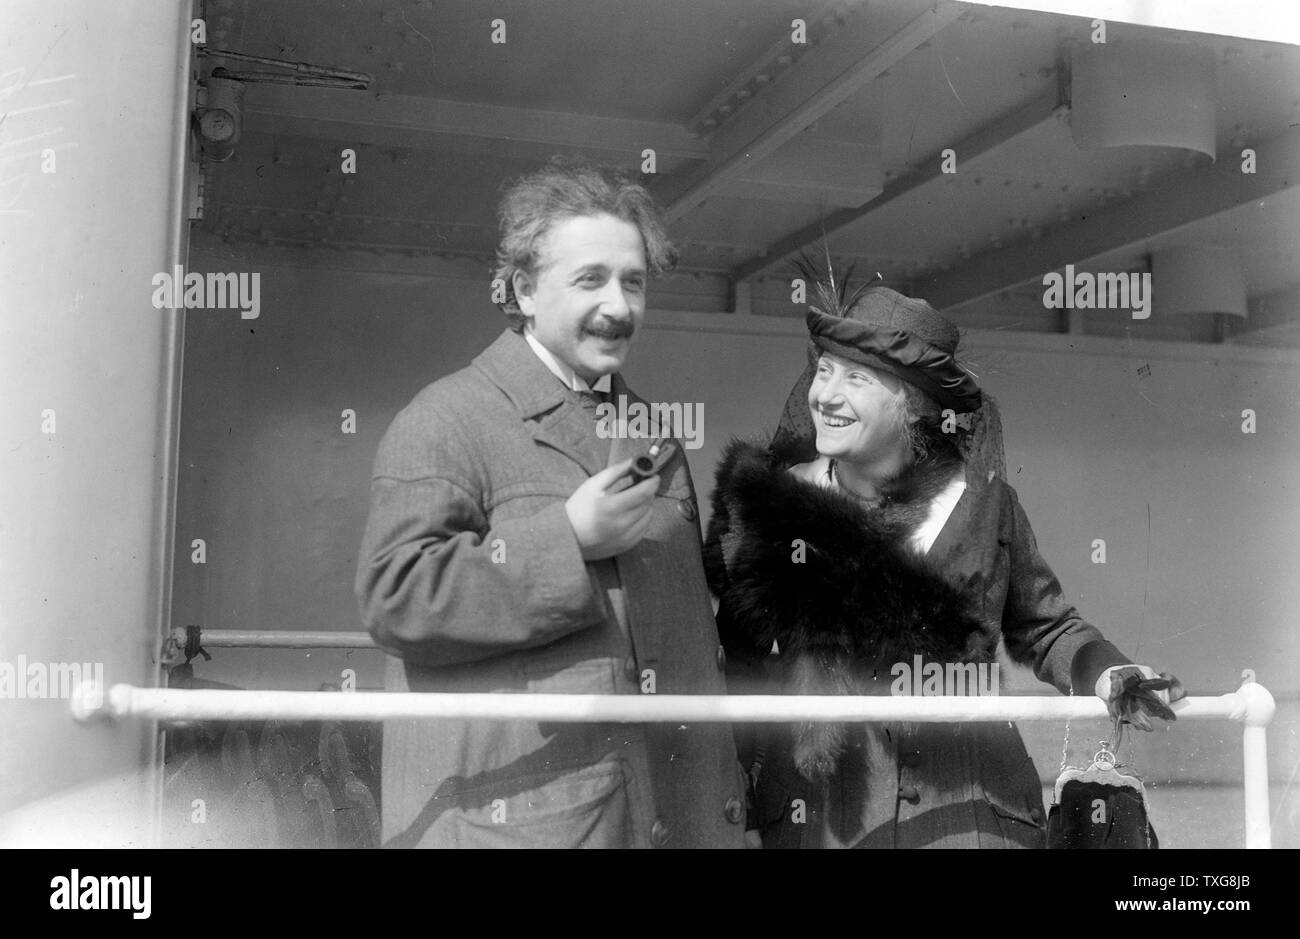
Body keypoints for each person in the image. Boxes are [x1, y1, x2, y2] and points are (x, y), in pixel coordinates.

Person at [703, 273, 1184, 849]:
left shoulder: (982, 506)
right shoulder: (774, 506)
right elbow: (740, 664)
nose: (825, 395)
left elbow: (1046, 627)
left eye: (856, 378)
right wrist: (743, 802)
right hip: (825, 821)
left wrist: (1108, 673)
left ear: (914, 406)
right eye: (824, 370)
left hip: (972, 818)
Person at [354, 161, 748, 848]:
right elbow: (395, 597)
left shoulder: (652, 432)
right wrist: (568, 538)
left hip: (672, 817)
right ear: (525, 291)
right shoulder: (447, 418)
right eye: (590, 279)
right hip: (531, 826)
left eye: (633, 281)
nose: (619, 306)